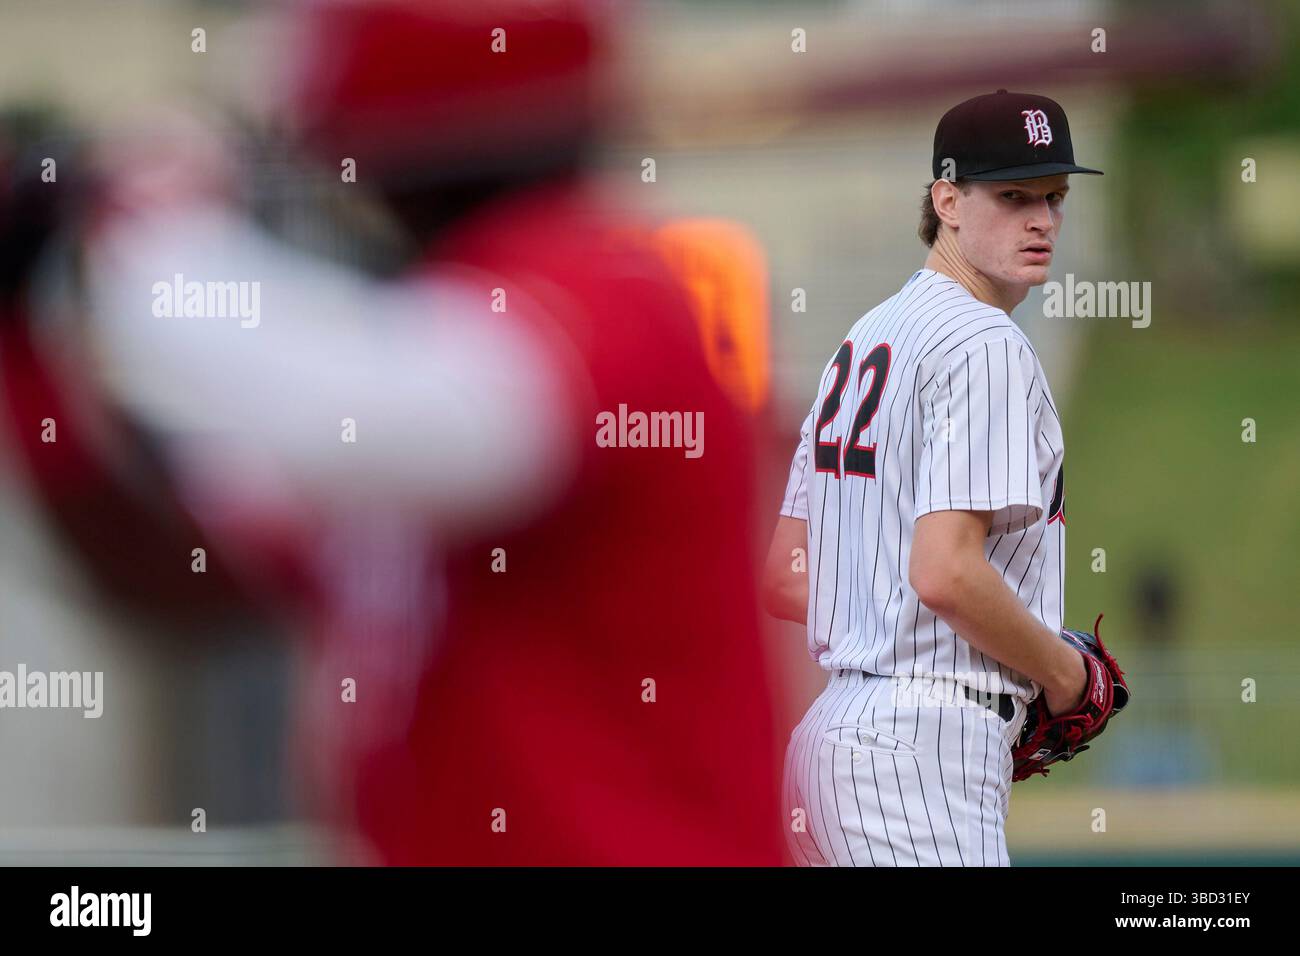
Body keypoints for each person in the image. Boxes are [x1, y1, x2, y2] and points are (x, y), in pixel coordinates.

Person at [762, 90, 1101, 866]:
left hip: (826, 749)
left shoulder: (867, 336)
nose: (1043, 219)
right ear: (946, 199)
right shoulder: (985, 340)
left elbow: (786, 574)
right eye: (1013, 196)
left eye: (1054, 197)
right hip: (922, 748)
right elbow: (944, 571)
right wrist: (1063, 672)